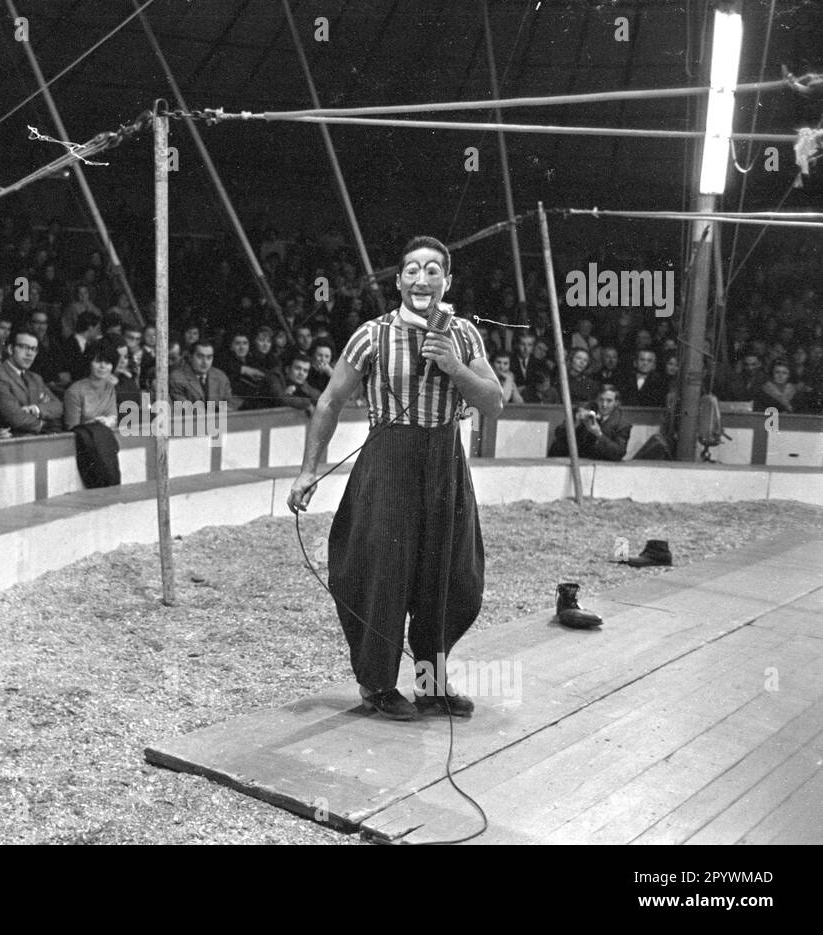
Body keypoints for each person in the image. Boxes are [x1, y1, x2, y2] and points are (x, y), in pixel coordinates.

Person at [288, 236, 502, 722]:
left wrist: (453, 367)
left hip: (445, 460)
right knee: (381, 573)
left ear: (447, 281)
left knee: (449, 577)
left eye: (432, 270)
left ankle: (430, 686)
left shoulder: (465, 335)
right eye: (411, 270)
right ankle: (377, 685)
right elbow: (328, 401)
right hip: (389, 459)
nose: (421, 279)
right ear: (399, 280)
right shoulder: (371, 334)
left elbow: (493, 401)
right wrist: (309, 470)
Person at [0, 327, 64, 435]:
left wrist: (36, 409)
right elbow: (14, 417)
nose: (30, 353)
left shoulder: (36, 378)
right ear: (10, 349)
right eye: (24, 347)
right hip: (14, 443)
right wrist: (44, 425)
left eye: (33, 349)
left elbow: (58, 406)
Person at [549, 386, 631, 461]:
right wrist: (575, 424)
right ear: (596, 400)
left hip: (601, 464)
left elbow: (619, 453)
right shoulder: (582, 409)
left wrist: (599, 434)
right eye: (601, 400)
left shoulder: (622, 423)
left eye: (609, 401)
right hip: (573, 460)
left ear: (616, 403)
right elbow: (558, 433)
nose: (604, 404)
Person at [63, 341, 119, 430]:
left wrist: (108, 421)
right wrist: (95, 424)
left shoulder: (110, 387)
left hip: (106, 436)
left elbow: (113, 418)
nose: (103, 366)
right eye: (98, 361)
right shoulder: (74, 391)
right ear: (89, 362)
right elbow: (71, 428)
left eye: (108, 362)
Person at [169, 339, 235, 408]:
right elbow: (185, 410)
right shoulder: (177, 378)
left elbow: (230, 405)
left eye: (209, 357)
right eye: (200, 356)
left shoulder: (220, 376)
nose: (205, 362)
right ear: (190, 357)